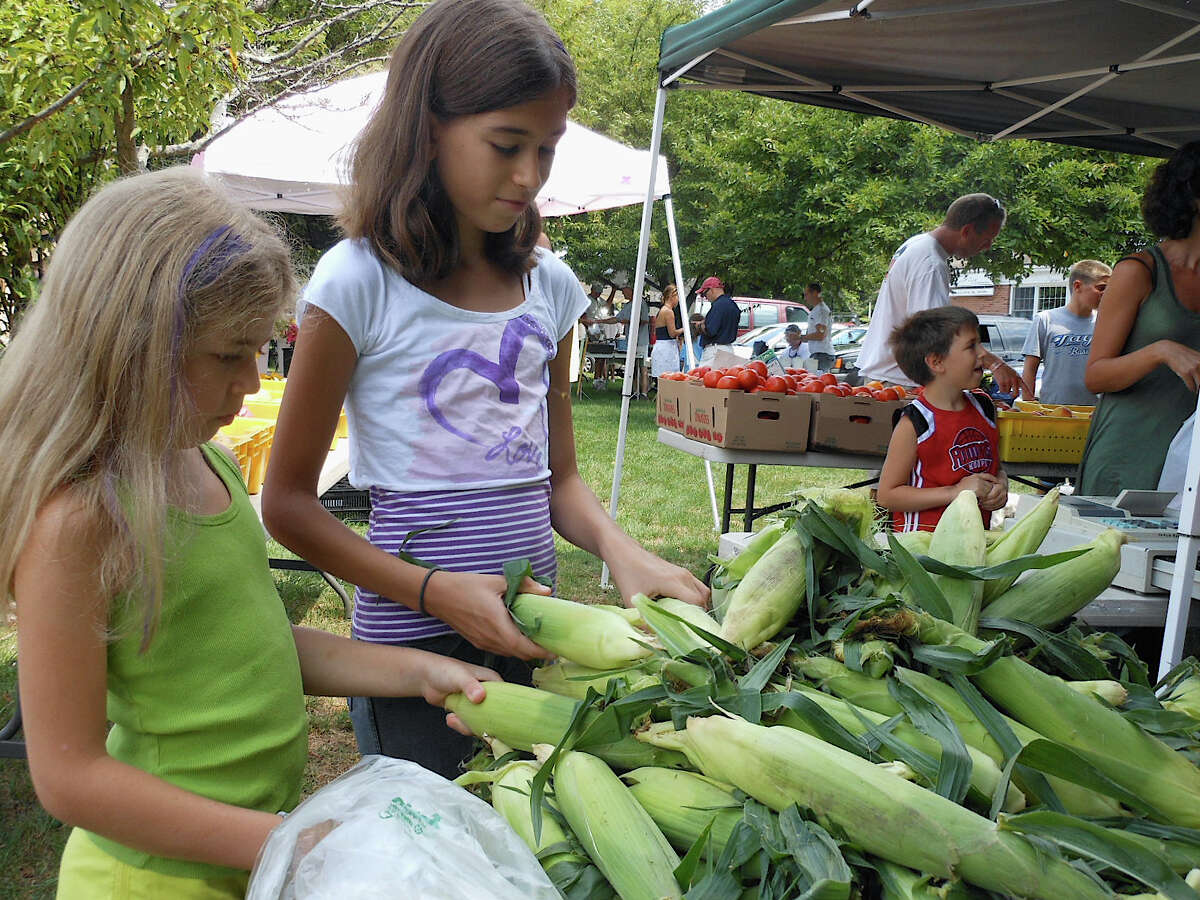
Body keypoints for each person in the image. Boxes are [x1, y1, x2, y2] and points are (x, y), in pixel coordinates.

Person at [0, 168, 498, 897]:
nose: (255, 382)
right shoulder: (80, 521)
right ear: (129, 344)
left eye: (261, 348)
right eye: (228, 354)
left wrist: (419, 671)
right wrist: (288, 840)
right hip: (150, 881)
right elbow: (71, 777)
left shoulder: (211, 464)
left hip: (247, 857)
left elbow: (254, 646)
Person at [261, 0, 708, 780]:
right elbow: (289, 505)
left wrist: (620, 549)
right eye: (506, 146)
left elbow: (558, 478)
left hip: (541, 634)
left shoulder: (553, 289)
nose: (529, 176)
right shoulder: (357, 283)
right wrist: (434, 593)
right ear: (428, 127)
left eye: (547, 150)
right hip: (407, 656)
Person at [1078, 141, 1200, 495]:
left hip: (1188, 463)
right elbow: (1096, 375)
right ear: (1192, 196)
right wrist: (1159, 351)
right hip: (1128, 457)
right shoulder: (1139, 271)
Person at [857, 194, 1028, 396]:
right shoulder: (931, 265)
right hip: (899, 384)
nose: (988, 246)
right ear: (967, 231)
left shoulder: (917, 244)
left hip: (886, 378)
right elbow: (934, 336)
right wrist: (994, 364)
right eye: (987, 239)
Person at [877, 306, 1008, 532]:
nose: (983, 353)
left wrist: (1001, 487)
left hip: (973, 543)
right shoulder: (915, 422)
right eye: (971, 346)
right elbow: (888, 495)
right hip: (922, 552)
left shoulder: (985, 408)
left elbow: (995, 467)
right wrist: (955, 492)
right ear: (937, 362)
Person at [1020, 260, 1111, 405]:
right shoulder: (1046, 319)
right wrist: (1029, 405)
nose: (1106, 293)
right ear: (1077, 286)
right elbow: (1030, 368)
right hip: (1053, 412)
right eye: (1101, 288)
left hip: (1094, 414)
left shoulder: (1107, 324)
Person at [698, 275, 739, 363]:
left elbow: (710, 331)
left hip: (714, 351)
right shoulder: (733, 305)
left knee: (706, 376)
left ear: (711, 289)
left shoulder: (718, 306)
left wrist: (701, 325)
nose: (705, 297)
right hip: (728, 349)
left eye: (704, 294)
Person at [650, 284, 683, 380]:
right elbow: (672, 333)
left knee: (663, 381)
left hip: (661, 346)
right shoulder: (668, 311)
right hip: (667, 348)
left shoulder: (662, 310)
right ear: (672, 296)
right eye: (677, 297)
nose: (678, 300)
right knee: (668, 380)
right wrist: (684, 329)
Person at [798, 283, 834, 370]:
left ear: (814, 293)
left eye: (806, 295)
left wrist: (802, 337)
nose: (805, 298)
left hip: (822, 354)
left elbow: (820, 334)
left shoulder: (820, 310)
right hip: (820, 354)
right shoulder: (817, 310)